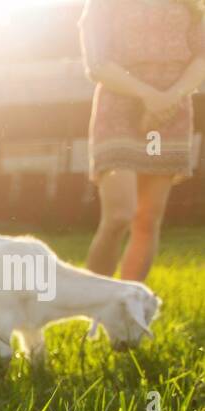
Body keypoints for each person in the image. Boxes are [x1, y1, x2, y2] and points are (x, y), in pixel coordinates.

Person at [81, 0, 205, 281]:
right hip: (119, 113)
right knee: (119, 215)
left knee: (147, 220)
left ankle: (128, 310)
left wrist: (167, 100)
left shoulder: (191, 4)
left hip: (167, 117)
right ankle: (91, 309)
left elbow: (202, 56)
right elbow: (97, 63)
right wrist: (150, 96)